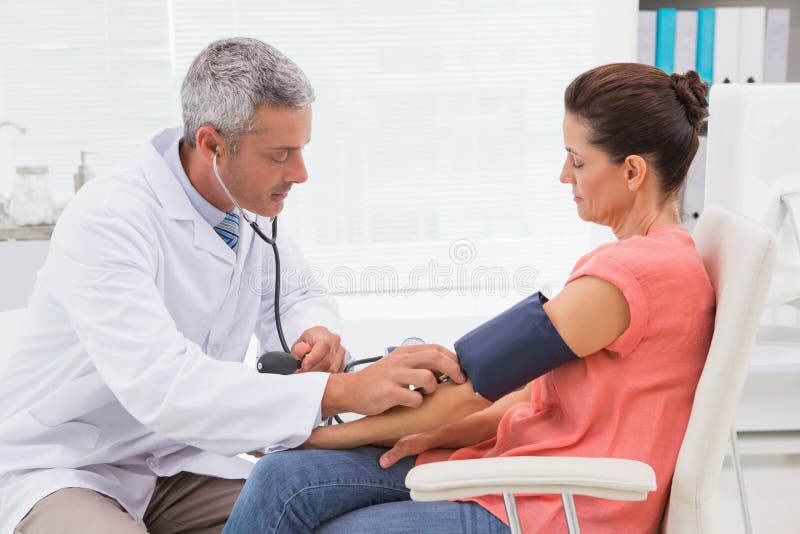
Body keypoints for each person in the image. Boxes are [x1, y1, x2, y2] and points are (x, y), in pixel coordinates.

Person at [221, 63, 716, 534]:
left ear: (632, 172)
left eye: (578, 160)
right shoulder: (655, 262)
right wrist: (435, 434)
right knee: (283, 477)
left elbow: (476, 381)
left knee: (310, 501)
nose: (565, 176)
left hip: (560, 508)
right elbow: (529, 394)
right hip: (524, 466)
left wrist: (314, 436)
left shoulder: (626, 280)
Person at [0, 38, 464, 533]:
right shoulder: (108, 220)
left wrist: (316, 335)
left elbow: (299, 294)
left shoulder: (243, 211)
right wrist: (343, 390)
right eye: (280, 155)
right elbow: (164, 385)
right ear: (212, 145)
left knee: (308, 518)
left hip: (179, 462)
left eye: (302, 150)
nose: (300, 174)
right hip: (69, 464)